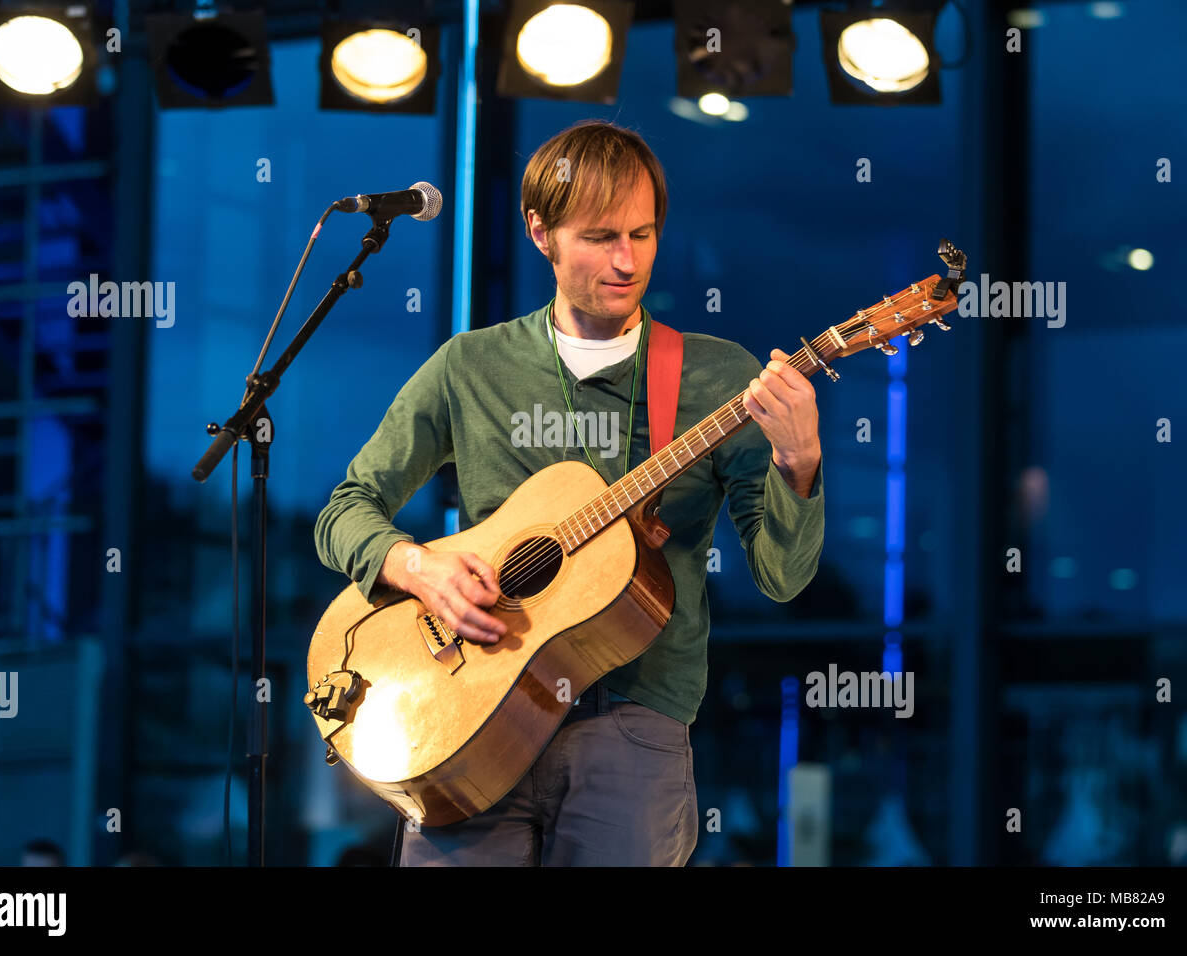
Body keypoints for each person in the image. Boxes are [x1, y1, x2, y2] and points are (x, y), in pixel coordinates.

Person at [314, 119, 825, 866]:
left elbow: (784, 577)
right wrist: (420, 569)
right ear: (539, 231)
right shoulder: (471, 367)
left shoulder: (717, 379)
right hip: (464, 714)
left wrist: (799, 460)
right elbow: (344, 509)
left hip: (633, 726)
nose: (625, 262)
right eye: (598, 237)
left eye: (642, 236)